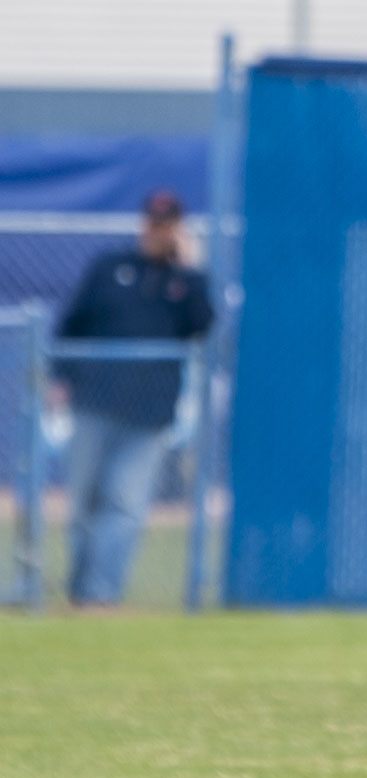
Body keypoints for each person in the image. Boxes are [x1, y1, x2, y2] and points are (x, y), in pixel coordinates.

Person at [54, 189, 214, 606]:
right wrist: (60, 377)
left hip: (150, 413)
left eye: (167, 225)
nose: (158, 232)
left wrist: (192, 269)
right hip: (95, 403)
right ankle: (77, 589)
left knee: (124, 504)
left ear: (178, 229)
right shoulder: (110, 268)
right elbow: (71, 323)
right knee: (83, 502)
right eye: (153, 223)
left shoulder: (184, 281)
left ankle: (100, 596)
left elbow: (202, 326)